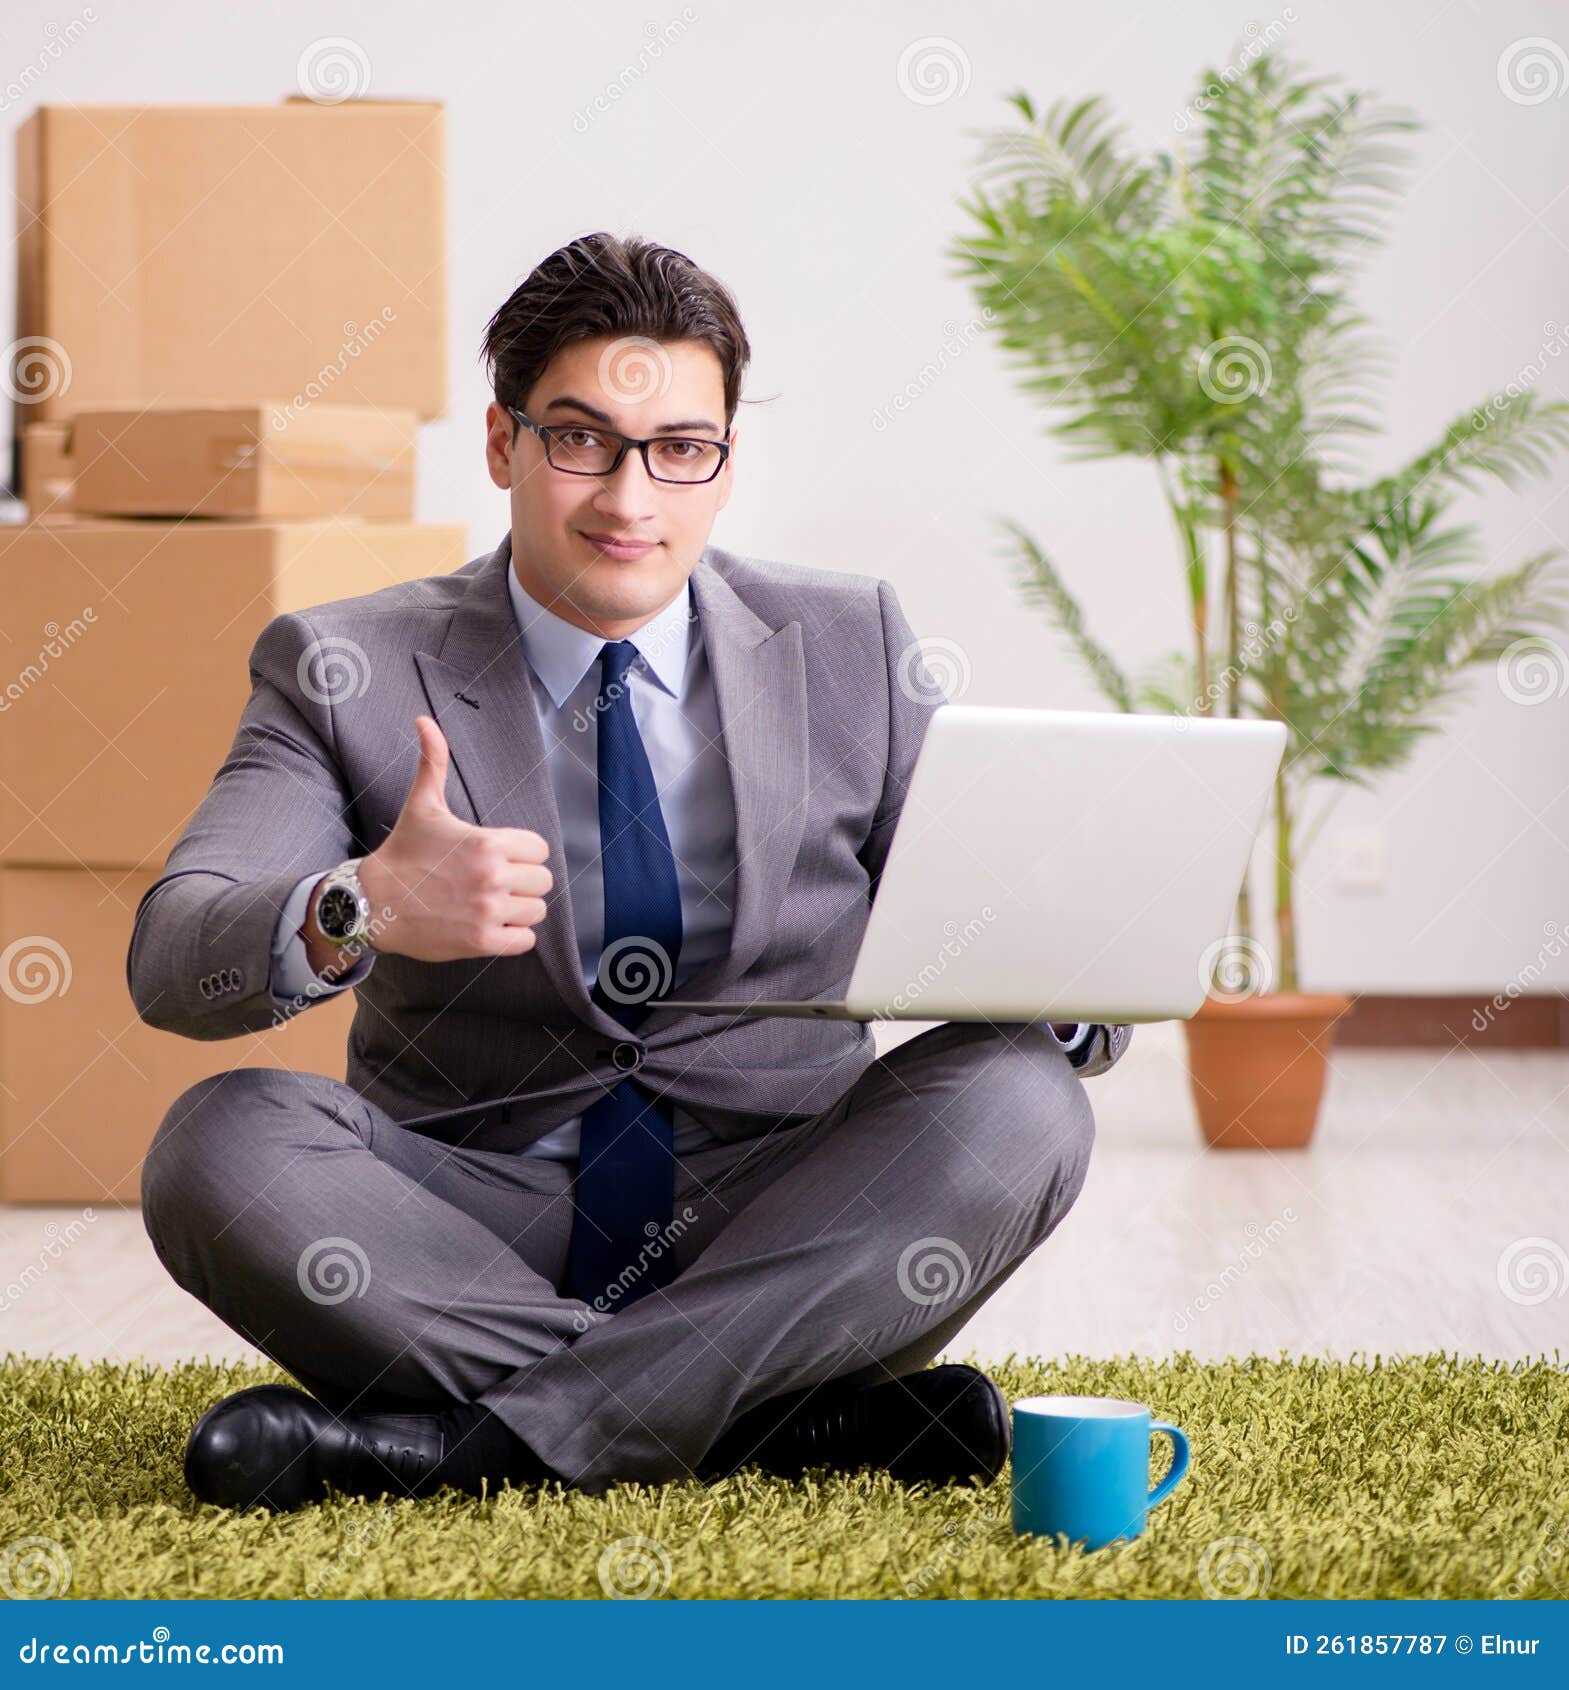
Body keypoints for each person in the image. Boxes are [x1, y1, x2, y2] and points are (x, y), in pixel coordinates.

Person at [128, 232, 1133, 1513]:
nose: (629, 499)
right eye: (581, 439)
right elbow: (173, 957)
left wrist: (1067, 980)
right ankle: (775, 1422)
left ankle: (461, 1451)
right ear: (503, 444)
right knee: (218, 1145)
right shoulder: (344, 667)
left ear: (723, 465)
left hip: (781, 1218)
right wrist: (363, 905)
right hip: (465, 1226)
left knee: (1023, 1098)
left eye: (679, 450)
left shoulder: (854, 643)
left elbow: (1011, 945)